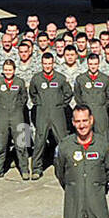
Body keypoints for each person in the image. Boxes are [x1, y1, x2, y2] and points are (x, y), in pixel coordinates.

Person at [29, 53, 73, 181]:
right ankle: (36, 169)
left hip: (57, 113)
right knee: (39, 140)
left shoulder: (60, 78)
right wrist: (40, 103)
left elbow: (68, 93)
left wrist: (60, 104)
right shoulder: (36, 78)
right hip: (42, 113)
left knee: (62, 140)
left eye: (49, 63)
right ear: (42, 64)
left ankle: (68, 168)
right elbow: (33, 93)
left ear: (53, 63)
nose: (47, 66)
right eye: (45, 64)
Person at [0, 59, 30, 180]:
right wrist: (0, 109)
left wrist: (17, 108)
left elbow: (24, 98)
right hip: (2, 115)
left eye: (10, 70)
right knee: (0, 144)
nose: (8, 72)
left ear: (14, 70)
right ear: (3, 70)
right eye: (6, 70)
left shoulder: (20, 82)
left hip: (17, 115)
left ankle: (24, 169)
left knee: (21, 143)